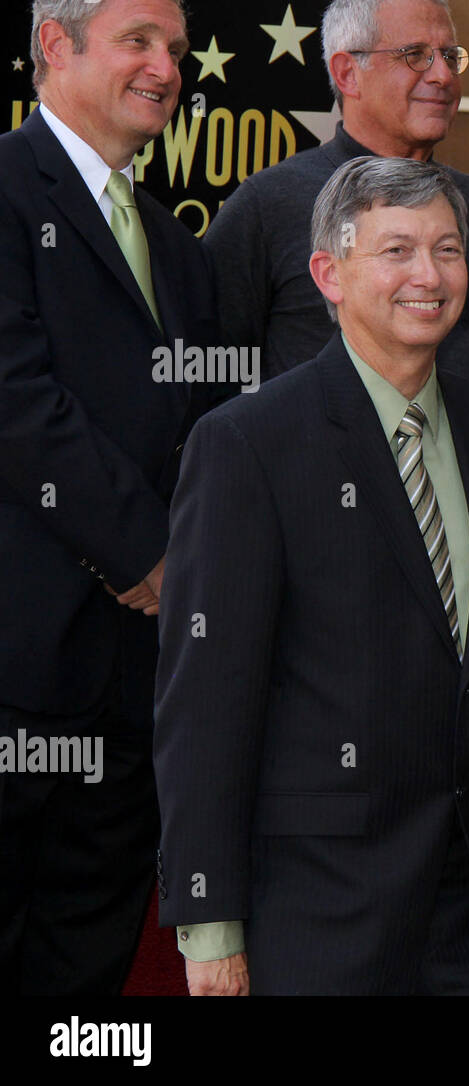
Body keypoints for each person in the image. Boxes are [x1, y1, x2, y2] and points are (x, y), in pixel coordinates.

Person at [153, 157, 469, 996]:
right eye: (397, 251)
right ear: (329, 275)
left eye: (447, 250)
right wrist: (210, 927)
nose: (428, 275)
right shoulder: (247, 446)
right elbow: (206, 701)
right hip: (316, 918)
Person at [0, 0, 223, 995]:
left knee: (86, 958)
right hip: (22, 664)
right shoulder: (4, 189)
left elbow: (204, 433)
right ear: (58, 43)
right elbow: (18, 400)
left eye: (174, 49)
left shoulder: (176, 246)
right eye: (138, 41)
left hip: (142, 682)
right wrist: (149, 557)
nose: (166, 67)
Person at [204, 0, 469, 394]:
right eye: (416, 56)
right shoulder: (267, 206)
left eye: (450, 56)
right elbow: (210, 374)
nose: (443, 75)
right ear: (348, 73)